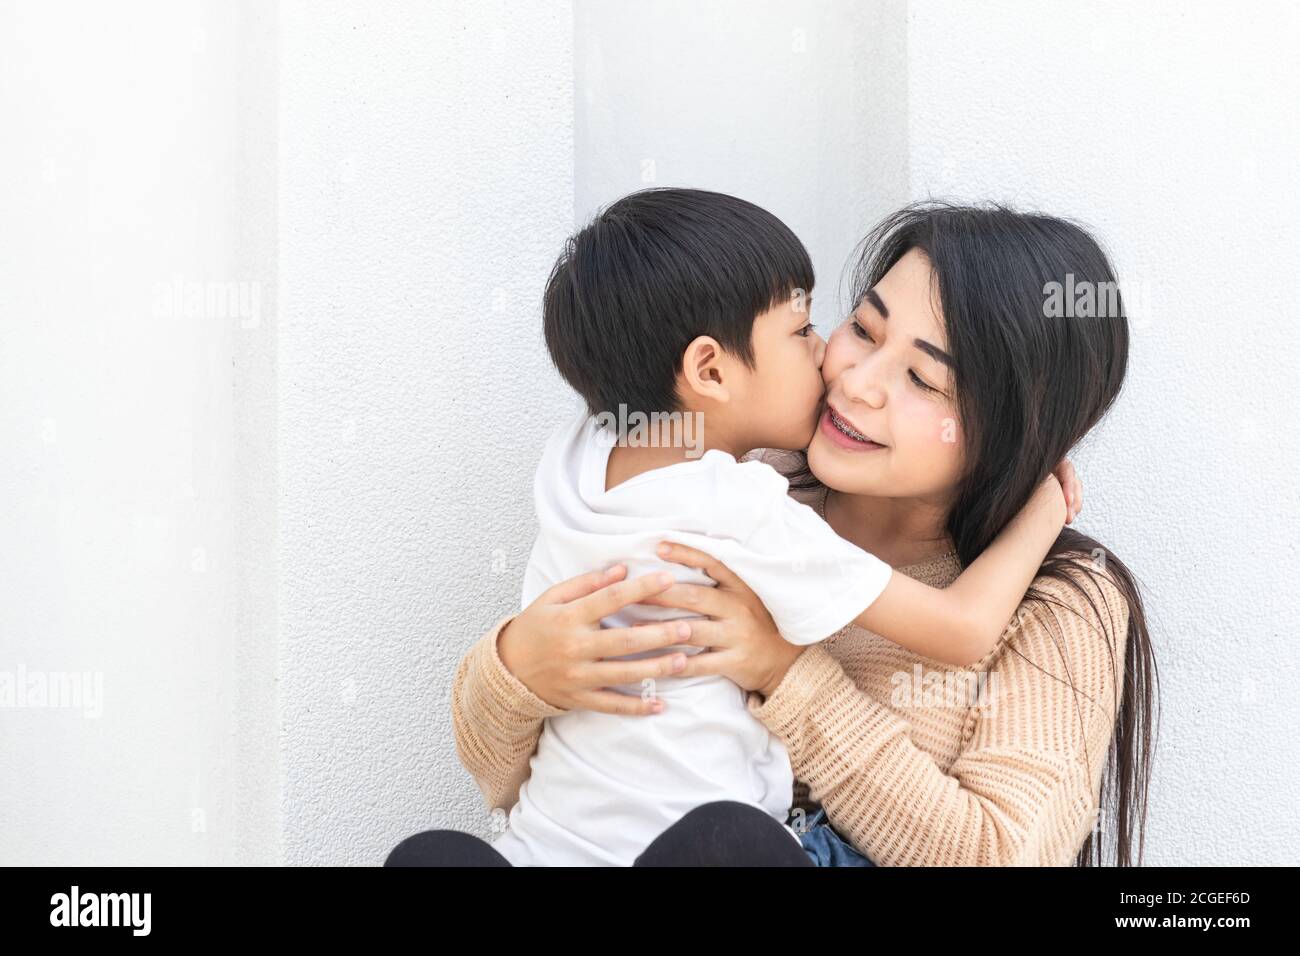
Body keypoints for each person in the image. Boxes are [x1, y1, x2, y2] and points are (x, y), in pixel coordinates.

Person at [392, 199, 1156, 867]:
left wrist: (786, 672)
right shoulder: (740, 486)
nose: (853, 378)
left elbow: (997, 856)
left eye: (923, 379)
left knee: (725, 847)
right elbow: (504, 775)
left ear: (1015, 424)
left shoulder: (1058, 602)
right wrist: (518, 666)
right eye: (861, 328)